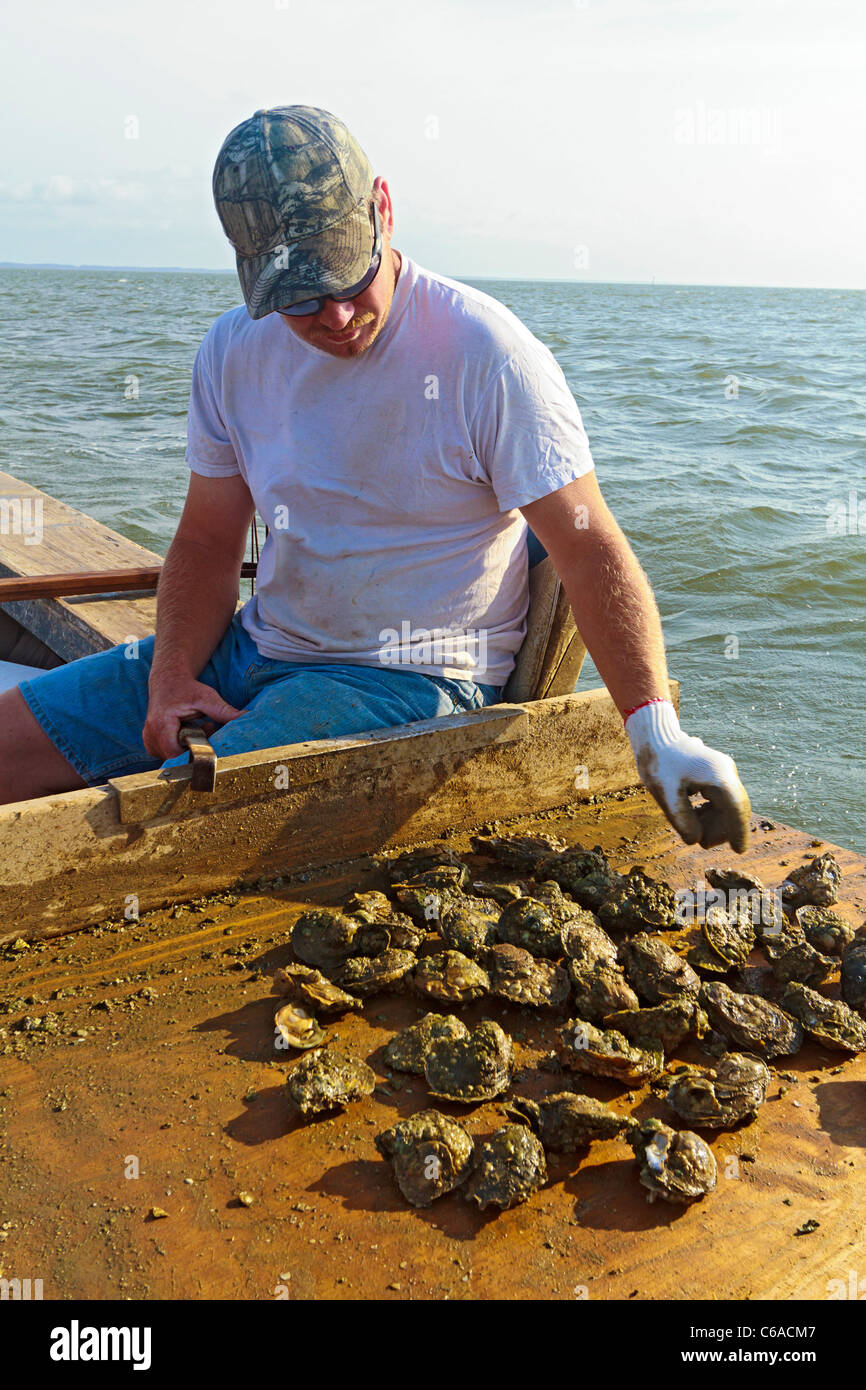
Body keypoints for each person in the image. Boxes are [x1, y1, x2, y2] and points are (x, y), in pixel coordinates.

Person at [0, 105, 750, 852]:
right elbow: (205, 539)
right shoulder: (232, 352)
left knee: (161, 827)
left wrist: (655, 731)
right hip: (256, 649)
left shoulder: (487, 355)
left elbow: (589, 549)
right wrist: (171, 680)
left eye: (346, 275)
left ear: (382, 209)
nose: (335, 315)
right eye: (297, 297)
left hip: (411, 680)